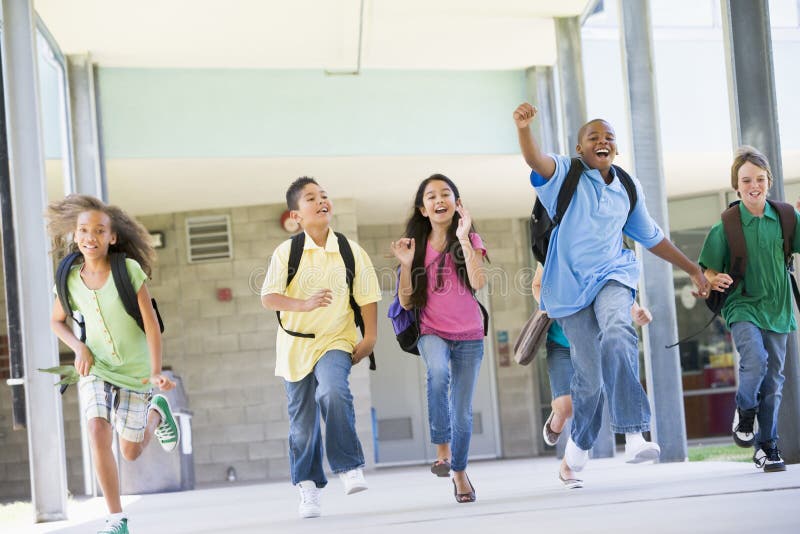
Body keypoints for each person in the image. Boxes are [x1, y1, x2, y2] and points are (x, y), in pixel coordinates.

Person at [513, 103, 710, 481]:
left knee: (619, 334)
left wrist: (692, 269)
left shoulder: (627, 188)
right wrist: (524, 129)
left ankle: (634, 433)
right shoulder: (565, 175)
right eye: (594, 138)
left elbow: (653, 238)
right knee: (588, 376)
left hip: (613, 274)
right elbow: (535, 160)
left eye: (609, 138)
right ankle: (579, 445)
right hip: (569, 290)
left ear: (615, 149)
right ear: (580, 148)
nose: (602, 142)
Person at [47, 194, 179, 534]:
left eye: (99, 230)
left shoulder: (127, 270)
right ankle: (116, 519)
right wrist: (78, 348)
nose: (91, 236)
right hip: (98, 369)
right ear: (75, 236)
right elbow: (56, 321)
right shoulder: (70, 279)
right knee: (96, 429)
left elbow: (151, 323)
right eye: (84, 230)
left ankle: (157, 413)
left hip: (136, 372)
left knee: (131, 452)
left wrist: (155, 372)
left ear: (112, 237)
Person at [261, 177, 380, 518]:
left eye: (324, 196)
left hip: (336, 339)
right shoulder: (287, 252)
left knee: (332, 391)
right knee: (302, 423)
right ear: (296, 215)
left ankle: (348, 466)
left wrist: (369, 338)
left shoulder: (350, 250)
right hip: (295, 347)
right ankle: (308, 488)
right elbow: (269, 297)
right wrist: (304, 304)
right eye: (311, 198)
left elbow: (368, 297)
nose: (321, 201)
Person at [698, 146, 800, 472]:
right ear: (736, 185)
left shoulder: (785, 218)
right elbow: (707, 270)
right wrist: (714, 279)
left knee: (773, 381)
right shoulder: (726, 225)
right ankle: (745, 412)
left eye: (759, 179)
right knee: (754, 359)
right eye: (746, 180)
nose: (753, 185)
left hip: (778, 308)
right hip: (742, 306)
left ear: (769, 181)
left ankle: (767, 447)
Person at [390, 174, 487, 503]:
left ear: (457, 204)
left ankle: (459, 472)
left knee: (462, 412)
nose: (439, 199)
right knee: (438, 373)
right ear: (422, 208)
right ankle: (442, 450)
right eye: (431, 196)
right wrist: (405, 265)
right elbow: (405, 301)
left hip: (470, 334)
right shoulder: (415, 247)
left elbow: (478, 283)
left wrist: (463, 238)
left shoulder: (469, 238)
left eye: (446, 194)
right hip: (432, 330)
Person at [531, 265, 653, 489]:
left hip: (592, 345)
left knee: (591, 393)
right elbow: (537, 286)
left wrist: (635, 310)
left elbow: (614, 286)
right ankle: (557, 420)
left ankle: (567, 467)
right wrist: (549, 305)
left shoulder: (599, 251)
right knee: (566, 407)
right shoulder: (553, 247)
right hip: (562, 344)